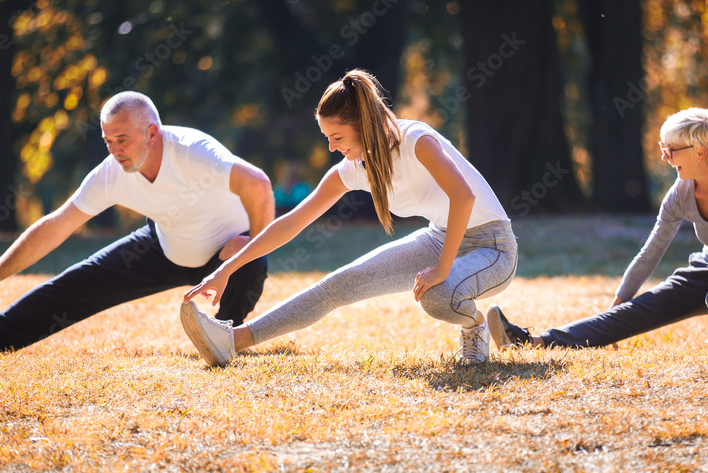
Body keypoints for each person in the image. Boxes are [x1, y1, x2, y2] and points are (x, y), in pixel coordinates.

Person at [180, 69, 517, 366]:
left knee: (437, 295)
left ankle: (474, 326)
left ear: (364, 126)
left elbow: (463, 196)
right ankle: (232, 341)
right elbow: (292, 222)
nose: (330, 148)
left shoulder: (416, 140)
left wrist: (443, 268)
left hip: (493, 247)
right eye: (327, 138)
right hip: (440, 237)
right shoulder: (354, 169)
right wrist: (225, 270)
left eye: (337, 138)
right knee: (340, 283)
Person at [0, 91, 274, 354]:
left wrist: (252, 245)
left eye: (122, 139)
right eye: (108, 140)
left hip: (228, 252)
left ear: (152, 133)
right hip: (164, 248)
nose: (115, 150)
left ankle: (224, 339)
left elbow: (258, 184)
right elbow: (55, 226)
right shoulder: (111, 173)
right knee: (73, 285)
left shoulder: (194, 152)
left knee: (249, 265)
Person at [487, 107, 708, 351]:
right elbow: (650, 254)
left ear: (700, 152)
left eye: (671, 150)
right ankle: (534, 342)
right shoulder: (680, 193)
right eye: (664, 148)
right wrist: (614, 315)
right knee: (647, 305)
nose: (664, 157)